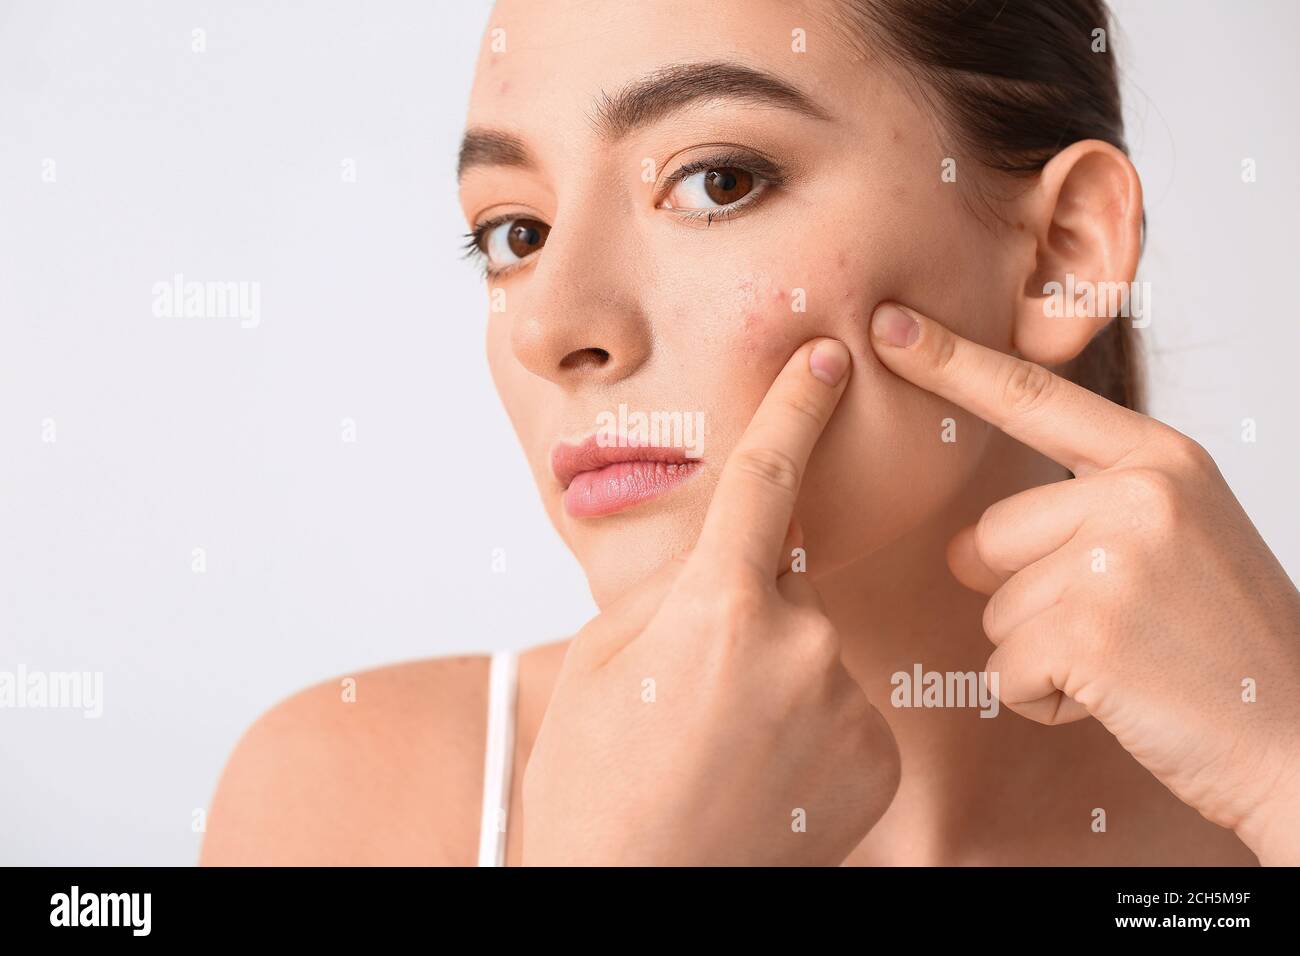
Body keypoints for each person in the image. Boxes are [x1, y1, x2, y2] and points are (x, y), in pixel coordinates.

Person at [199, 0, 1300, 866]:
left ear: (1060, 249)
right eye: (514, 231)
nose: (552, 324)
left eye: (715, 181)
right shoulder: (342, 799)